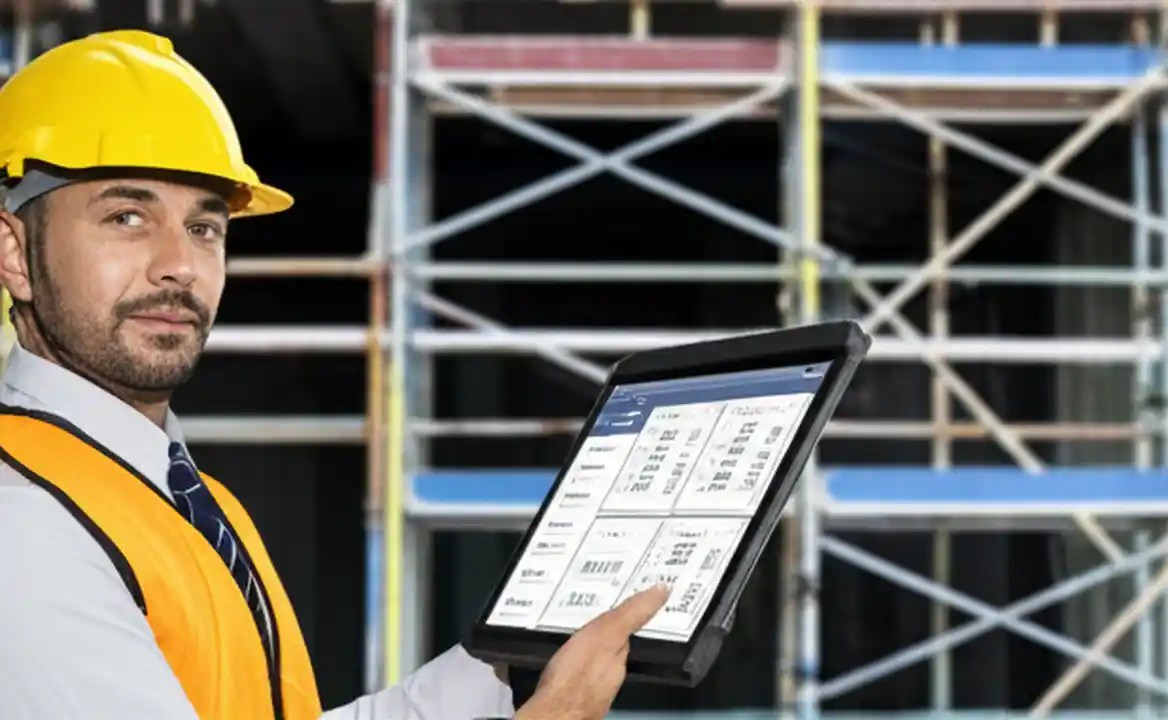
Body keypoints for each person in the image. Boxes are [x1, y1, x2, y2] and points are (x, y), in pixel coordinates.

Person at [0, 29, 669, 720]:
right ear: (14, 253)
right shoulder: (21, 523)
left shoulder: (181, 500)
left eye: (204, 228)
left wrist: (503, 657)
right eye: (127, 216)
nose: (179, 265)